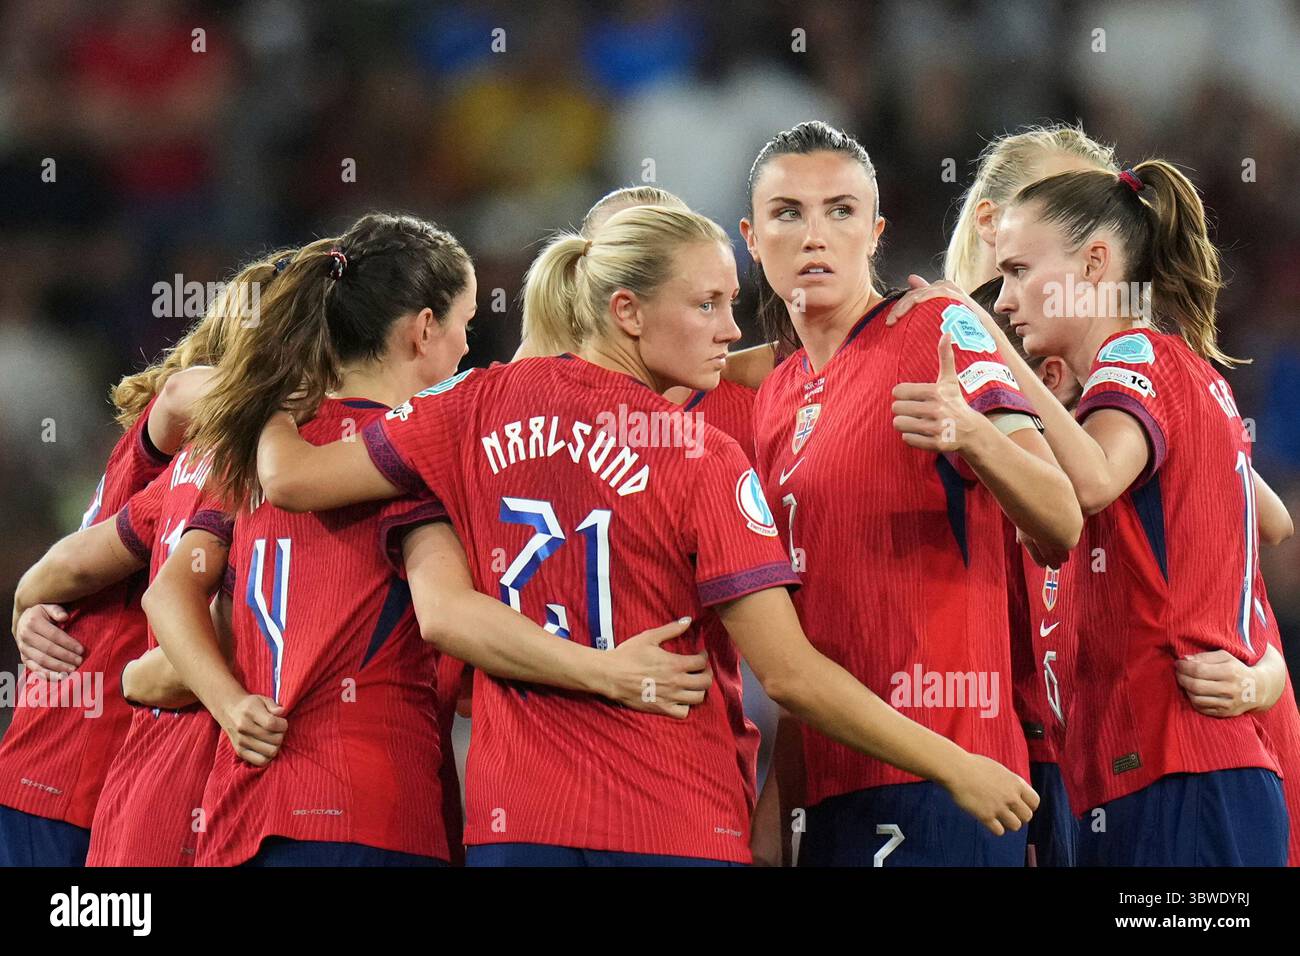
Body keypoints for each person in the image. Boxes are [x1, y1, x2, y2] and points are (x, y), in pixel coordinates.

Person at [253, 204, 1039, 865]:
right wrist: (955, 763)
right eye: (707, 305)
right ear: (625, 310)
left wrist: (256, 384)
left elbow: (296, 481)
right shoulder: (701, 454)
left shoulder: (472, 406)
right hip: (673, 819)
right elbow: (791, 676)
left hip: (514, 826)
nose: (730, 329)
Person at [166, 214, 712, 866]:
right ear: (425, 329)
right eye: (466, 324)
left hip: (239, 814)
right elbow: (448, 618)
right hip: (378, 812)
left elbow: (161, 608)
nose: (465, 348)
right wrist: (601, 671)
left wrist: (223, 699)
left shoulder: (253, 449)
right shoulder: (422, 455)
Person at [894, 160, 1292, 865]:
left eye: (1019, 271)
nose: (1007, 298)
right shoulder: (1170, 374)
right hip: (1155, 769)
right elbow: (1269, 519)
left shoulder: (1138, 355)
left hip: (1182, 764)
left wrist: (988, 349)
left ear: (1096, 263)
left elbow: (1092, 485)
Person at [739, 120, 1080, 866]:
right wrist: (778, 804)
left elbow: (1060, 521)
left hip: (952, 779)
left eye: (841, 211)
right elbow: (800, 637)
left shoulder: (938, 327)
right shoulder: (774, 400)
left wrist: (977, 435)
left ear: (875, 231)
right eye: (787, 213)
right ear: (752, 238)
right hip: (830, 790)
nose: (815, 236)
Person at [0, 251, 290, 866]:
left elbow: (70, 563)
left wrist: (30, 596)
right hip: (75, 747)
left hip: (118, 756)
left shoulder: (252, 455)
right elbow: (184, 389)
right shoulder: (189, 433)